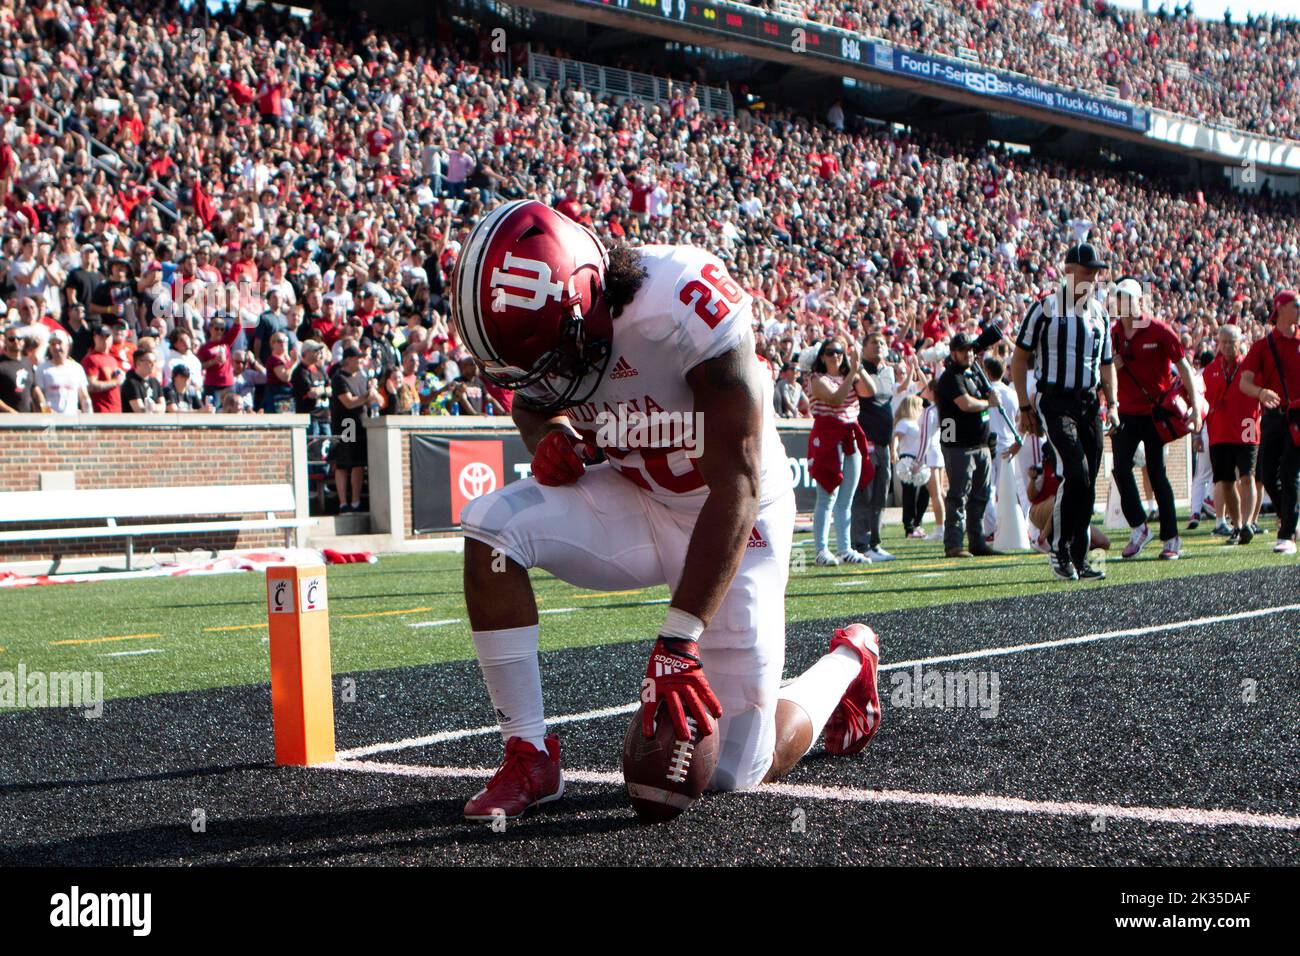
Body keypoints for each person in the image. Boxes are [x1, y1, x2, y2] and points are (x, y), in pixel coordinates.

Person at [452, 200, 882, 820]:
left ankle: (848, 662)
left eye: (557, 357)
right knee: (491, 527)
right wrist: (550, 434)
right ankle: (529, 753)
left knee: (735, 772)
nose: (550, 377)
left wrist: (679, 641)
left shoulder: (684, 301)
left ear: (587, 299)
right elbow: (533, 400)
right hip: (636, 496)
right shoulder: (557, 328)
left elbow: (736, 484)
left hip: (736, 519)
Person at [1012, 243, 1118, 581]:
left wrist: (1113, 403)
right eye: (1087, 272)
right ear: (1068, 272)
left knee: (1088, 483)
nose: (1093, 279)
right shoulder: (1044, 309)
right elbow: (1019, 358)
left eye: (1096, 273)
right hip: (1055, 401)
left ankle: (1079, 555)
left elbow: (1106, 364)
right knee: (1076, 472)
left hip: (1089, 402)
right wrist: (1024, 405)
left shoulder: (1100, 313)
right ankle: (1058, 546)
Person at [1109, 278, 1202, 561]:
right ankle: (1139, 526)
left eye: (1128, 298)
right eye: (1119, 298)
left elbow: (1183, 367)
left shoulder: (1159, 330)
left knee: (1157, 473)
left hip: (1154, 412)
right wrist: (1112, 367)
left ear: (1140, 301)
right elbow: (1104, 371)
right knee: (1120, 469)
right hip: (1126, 411)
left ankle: (1171, 537)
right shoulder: (1114, 333)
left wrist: (1196, 405)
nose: (1123, 304)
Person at [1239, 289, 1300, 555]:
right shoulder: (1263, 346)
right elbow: (1244, 382)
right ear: (1281, 308)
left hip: (1298, 416)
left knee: (1289, 472)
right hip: (1273, 415)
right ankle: (1290, 518)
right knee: (1266, 473)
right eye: (1295, 305)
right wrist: (1261, 392)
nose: (1299, 309)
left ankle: (1287, 534)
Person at [935, 333, 1003, 559]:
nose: (969, 354)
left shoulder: (973, 374)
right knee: (959, 495)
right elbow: (965, 404)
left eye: (971, 350)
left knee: (980, 497)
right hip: (958, 445)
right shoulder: (950, 378)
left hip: (979, 442)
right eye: (963, 350)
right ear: (953, 353)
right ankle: (954, 544)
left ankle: (977, 541)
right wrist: (988, 403)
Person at [807, 337, 871, 566]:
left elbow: (871, 391)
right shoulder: (817, 378)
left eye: (840, 352)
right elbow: (835, 399)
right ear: (822, 357)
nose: (836, 356)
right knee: (827, 496)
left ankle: (845, 548)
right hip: (828, 437)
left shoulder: (849, 375)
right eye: (831, 352)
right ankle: (821, 550)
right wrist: (852, 372)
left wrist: (858, 368)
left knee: (846, 499)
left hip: (850, 436)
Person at [1202, 325, 1261, 545]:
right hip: (1220, 431)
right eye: (1223, 342)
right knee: (1226, 482)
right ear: (1218, 343)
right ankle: (1237, 525)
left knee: (1247, 477)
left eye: (1231, 342)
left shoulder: (1250, 368)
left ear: (1239, 343)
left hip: (1247, 427)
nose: (1227, 346)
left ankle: (1247, 524)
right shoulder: (1210, 370)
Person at [851, 331, 898, 562]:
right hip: (865, 442)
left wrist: (892, 444)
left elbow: (888, 406)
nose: (878, 345)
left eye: (882, 342)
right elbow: (865, 394)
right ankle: (861, 543)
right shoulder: (859, 372)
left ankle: (875, 543)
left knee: (880, 495)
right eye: (873, 342)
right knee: (864, 495)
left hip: (883, 443)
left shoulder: (888, 372)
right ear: (864, 347)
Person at [330, 345, 378, 512]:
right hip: (346, 425)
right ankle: (343, 503)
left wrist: (372, 393)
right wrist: (367, 395)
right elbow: (349, 402)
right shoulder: (339, 378)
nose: (361, 361)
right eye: (358, 358)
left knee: (358, 464)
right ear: (349, 359)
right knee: (343, 464)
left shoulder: (362, 377)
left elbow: (369, 401)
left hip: (361, 424)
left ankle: (356, 502)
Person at [892, 394, 929, 538]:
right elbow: (896, 437)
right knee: (909, 494)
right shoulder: (904, 422)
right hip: (907, 458)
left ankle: (918, 523)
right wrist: (894, 450)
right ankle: (909, 527)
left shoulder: (918, 422)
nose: (922, 408)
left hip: (921, 460)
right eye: (919, 406)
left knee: (925, 492)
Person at [35, 330, 91, 414]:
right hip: (51, 418)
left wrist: (88, 416)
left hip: (72, 418)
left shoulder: (76, 368)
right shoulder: (42, 368)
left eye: (59, 343)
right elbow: (38, 395)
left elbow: (84, 396)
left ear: (67, 346)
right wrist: (46, 411)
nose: (56, 347)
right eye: (53, 344)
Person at [81, 325, 124, 414]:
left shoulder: (112, 359)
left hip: (116, 409)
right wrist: (116, 382)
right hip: (101, 411)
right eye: (101, 337)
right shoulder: (90, 359)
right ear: (95, 338)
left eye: (107, 337)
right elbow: (91, 386)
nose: (105, 340)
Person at [0, 324, 42, 412]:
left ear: (23, 341)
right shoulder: (1, 364)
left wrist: (44, 406)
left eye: (19, 338)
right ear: (5, 341)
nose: (16, 341)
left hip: (27, 417)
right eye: (11, 339)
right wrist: (10, 412)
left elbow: (34, 389)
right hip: (5, 418)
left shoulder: (28, 363)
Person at [121, 348, 166, 413]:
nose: (153, 365)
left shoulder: (155, 382)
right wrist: (155, 408)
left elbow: (163, 407)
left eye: (154, 361)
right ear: (138, 363)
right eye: (149, 362)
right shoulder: (131, 383)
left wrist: (152, 407)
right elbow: (139, 409)